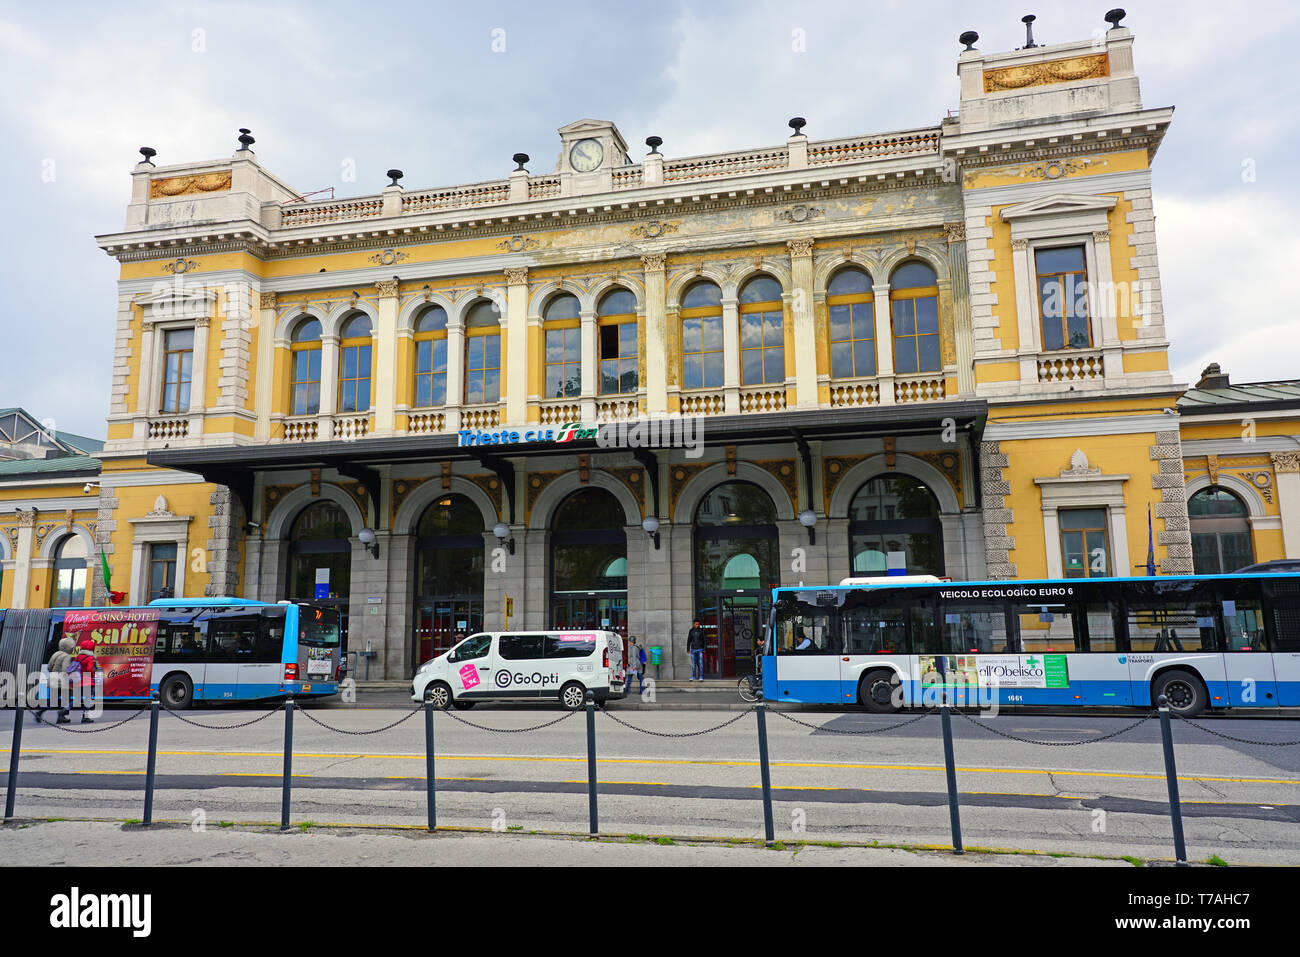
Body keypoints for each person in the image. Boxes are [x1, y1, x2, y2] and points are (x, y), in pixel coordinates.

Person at [33, 636, 76, 724]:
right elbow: (65, 670)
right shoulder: (67, 656)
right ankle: (62, 715)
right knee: (68, 699)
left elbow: (49, 667)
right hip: (62, 681)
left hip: (52, 679)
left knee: (53, 700)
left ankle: (40, 712)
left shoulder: (55, 654)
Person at [72, 638, 98, 724]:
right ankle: (85, 717)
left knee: (77, 699)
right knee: (88, 699)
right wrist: (93, 675)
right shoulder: (90, 658)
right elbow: (89, 670)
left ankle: (63, 711)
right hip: (87, 681)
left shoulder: (77, 657)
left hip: (77, 680)